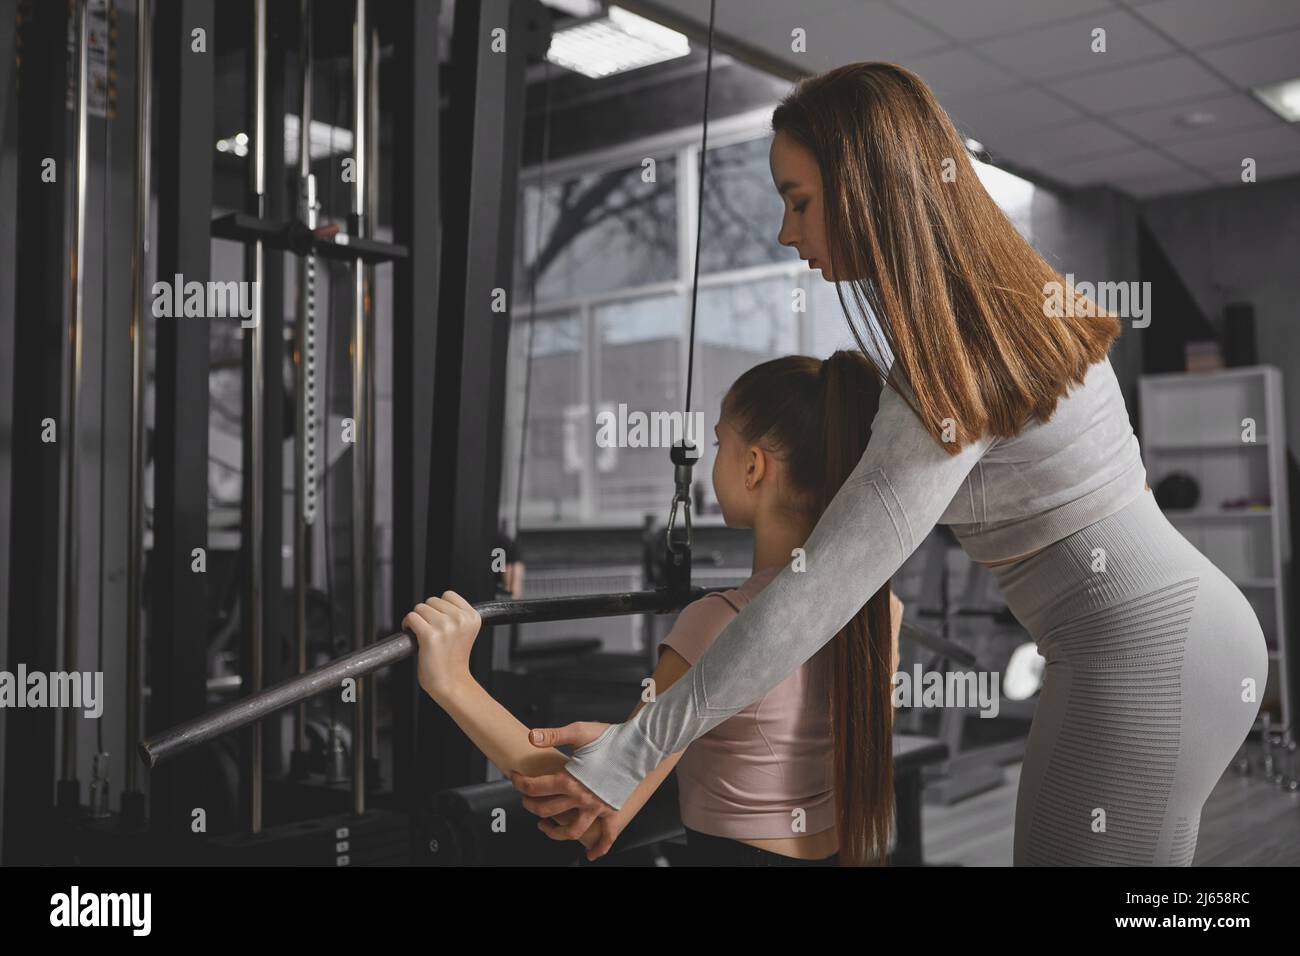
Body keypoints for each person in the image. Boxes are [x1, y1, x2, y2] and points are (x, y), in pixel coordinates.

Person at [508, 61, 1268, 867]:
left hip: (1143, 655)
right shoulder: (1005, 308)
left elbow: (815, 593)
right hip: (1180, 637)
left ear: (868, 187)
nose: (785, 232)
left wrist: (634, 750)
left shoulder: (959, 362)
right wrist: (643, 735)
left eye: (798, 201)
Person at [404, 352, 904, 866]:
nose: (712, 459)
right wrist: (644, 747)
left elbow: (578, 810)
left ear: (753, 467)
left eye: (718, 444)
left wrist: (450, 680)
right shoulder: (881, 610)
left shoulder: (717, 622)